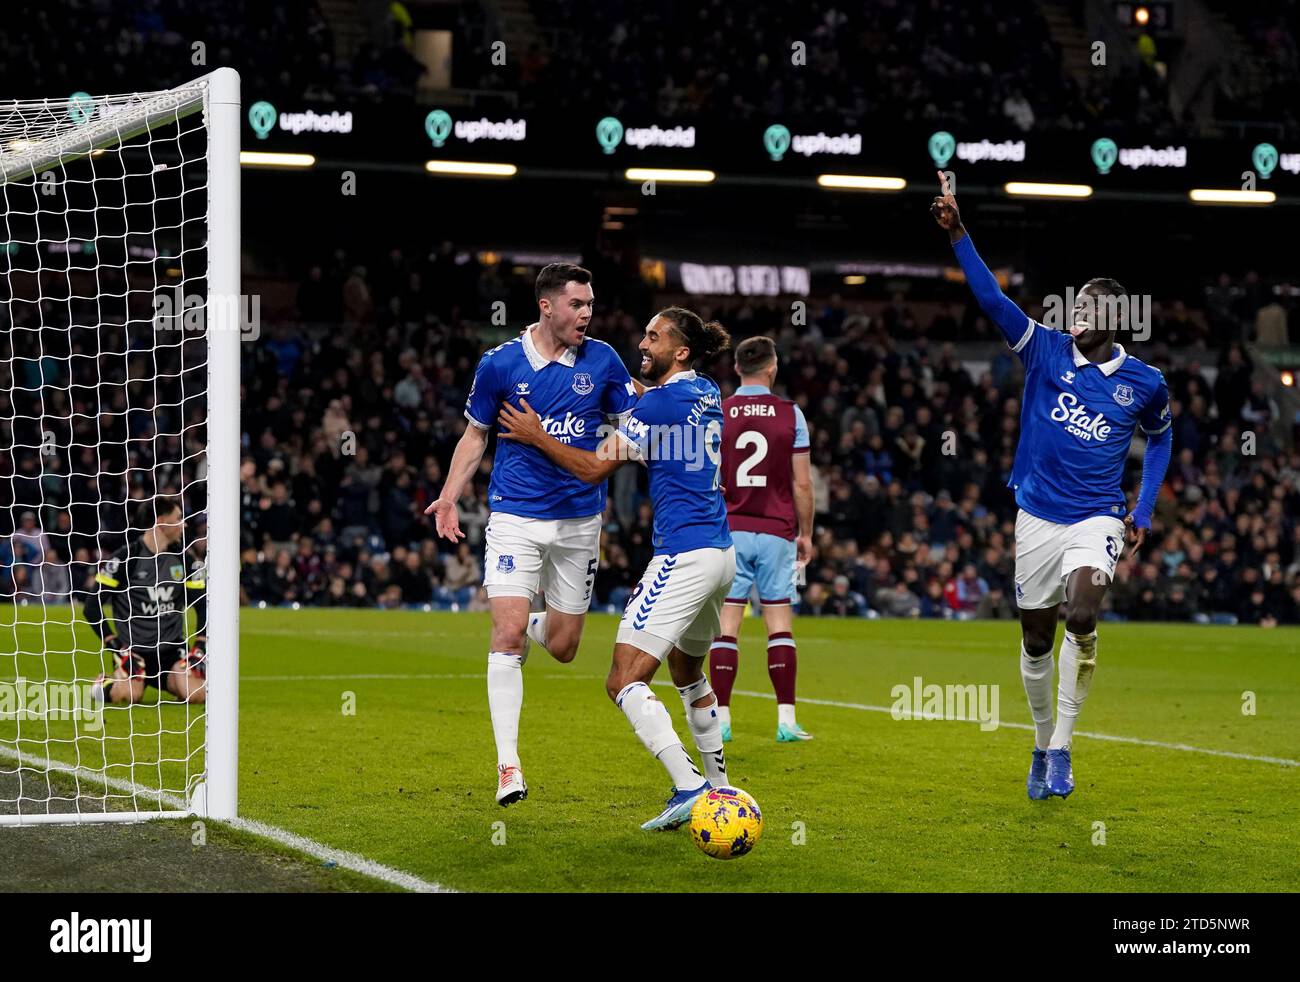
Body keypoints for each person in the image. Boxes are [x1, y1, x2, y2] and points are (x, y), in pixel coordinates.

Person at [931, 173, 1172, 799]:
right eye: (1077, 304)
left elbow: (1164, 437)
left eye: (1091, 307)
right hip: (1037, 515)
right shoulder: (1044, 350)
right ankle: (1040, 744)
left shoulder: (1145, 382)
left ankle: (1062, 748)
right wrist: (960, 234)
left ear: (1116, 320)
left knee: (1082, 612)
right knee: (1036, 639)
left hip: (1097, 516)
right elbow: (993, 302)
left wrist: (1140, 510)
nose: (1078, 314)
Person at [497, 306, 735, 830]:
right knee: (689, 673)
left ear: (681, 351)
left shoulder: (654, 411)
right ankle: (723, 792)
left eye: (654, 337)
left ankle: (689, 786)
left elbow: (591, 469)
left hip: (683, 555)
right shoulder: (707, 392)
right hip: (721, 554)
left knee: (623, 679)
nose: (642, 343)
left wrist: (538, 436)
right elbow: (654, 395)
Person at [425, 263, 637, 806]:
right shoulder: (500, 364)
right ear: (547, 306)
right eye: (577, 305)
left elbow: (637, 421)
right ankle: (508, 766)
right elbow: (475, 437)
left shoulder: (605, 361)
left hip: (580, 522)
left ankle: (530, 620)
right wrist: (449, 496)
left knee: (564, 647)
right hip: (515, 516)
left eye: (590, 304)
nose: (587, 314)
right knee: (508, 636)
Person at [709, 335, 815, 744]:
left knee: (727, 626)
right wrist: (805, 534)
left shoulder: (721, 410)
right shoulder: (791, 414)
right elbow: (802, 485)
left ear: (737, 369)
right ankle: (786, 720)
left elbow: (710, 474)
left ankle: (721, 719)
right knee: (779, 624)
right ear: (772, 368)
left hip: (731, 530)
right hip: (776, 532)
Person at [84, 496, 207, 705]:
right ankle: (102, 683)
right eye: (178, 518)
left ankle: (173, 681)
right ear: (161, 522)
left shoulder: (185, 561)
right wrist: (116, 647)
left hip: (172, 650)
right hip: (134, 653)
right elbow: (91, 607)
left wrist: (199, 647)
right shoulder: (125, 558)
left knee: (197, 695)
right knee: (129, 696)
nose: (184, 524)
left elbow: (204, 607)